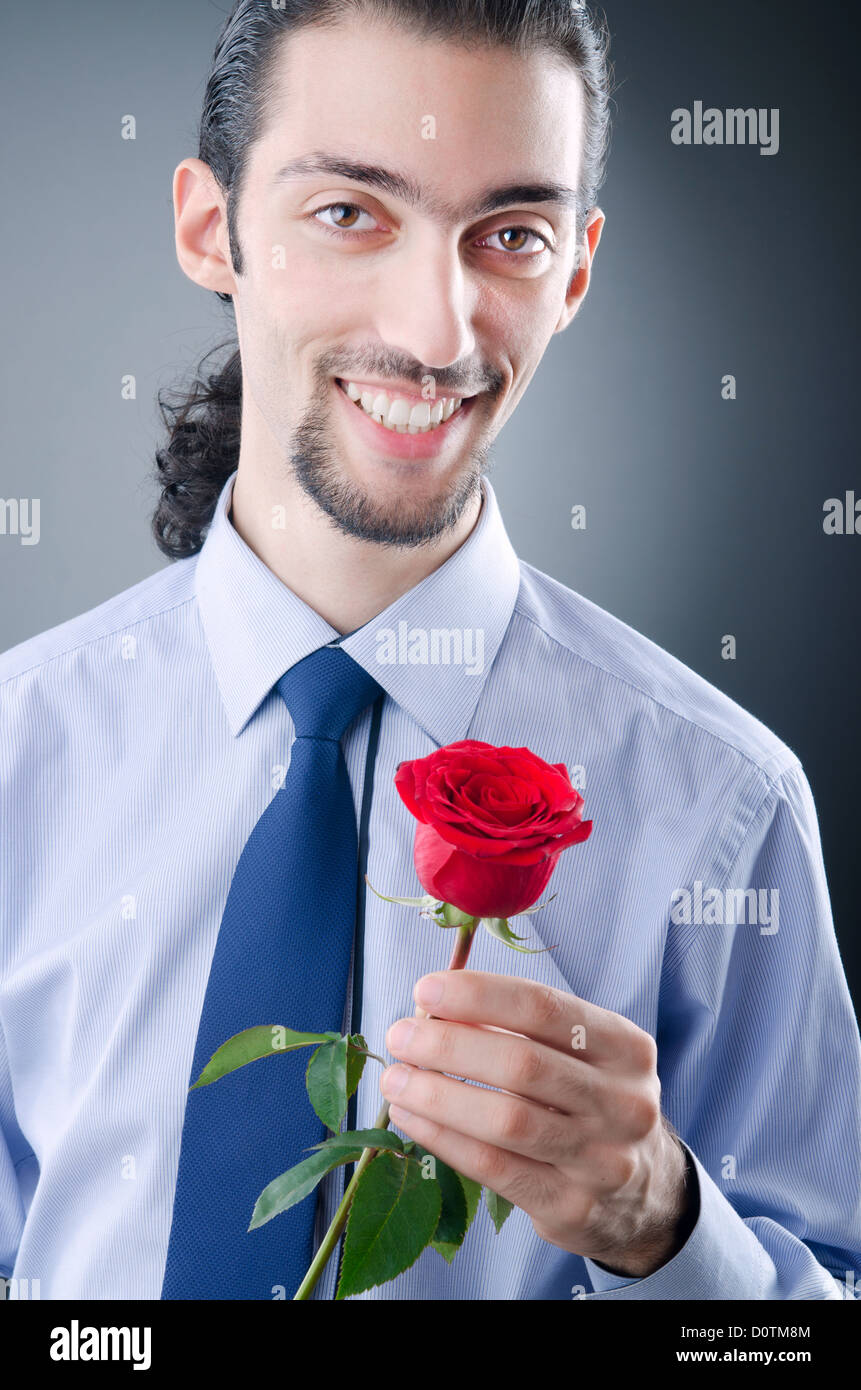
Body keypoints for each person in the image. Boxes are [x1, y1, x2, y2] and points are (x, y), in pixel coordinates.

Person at [1, 0, 859, 1302]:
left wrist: (660, 1222)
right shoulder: (19, 754)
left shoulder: (722, 808)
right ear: (211, 227)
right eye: (349, 211)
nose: (436, 333)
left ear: (574, 273)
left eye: (510, 235)